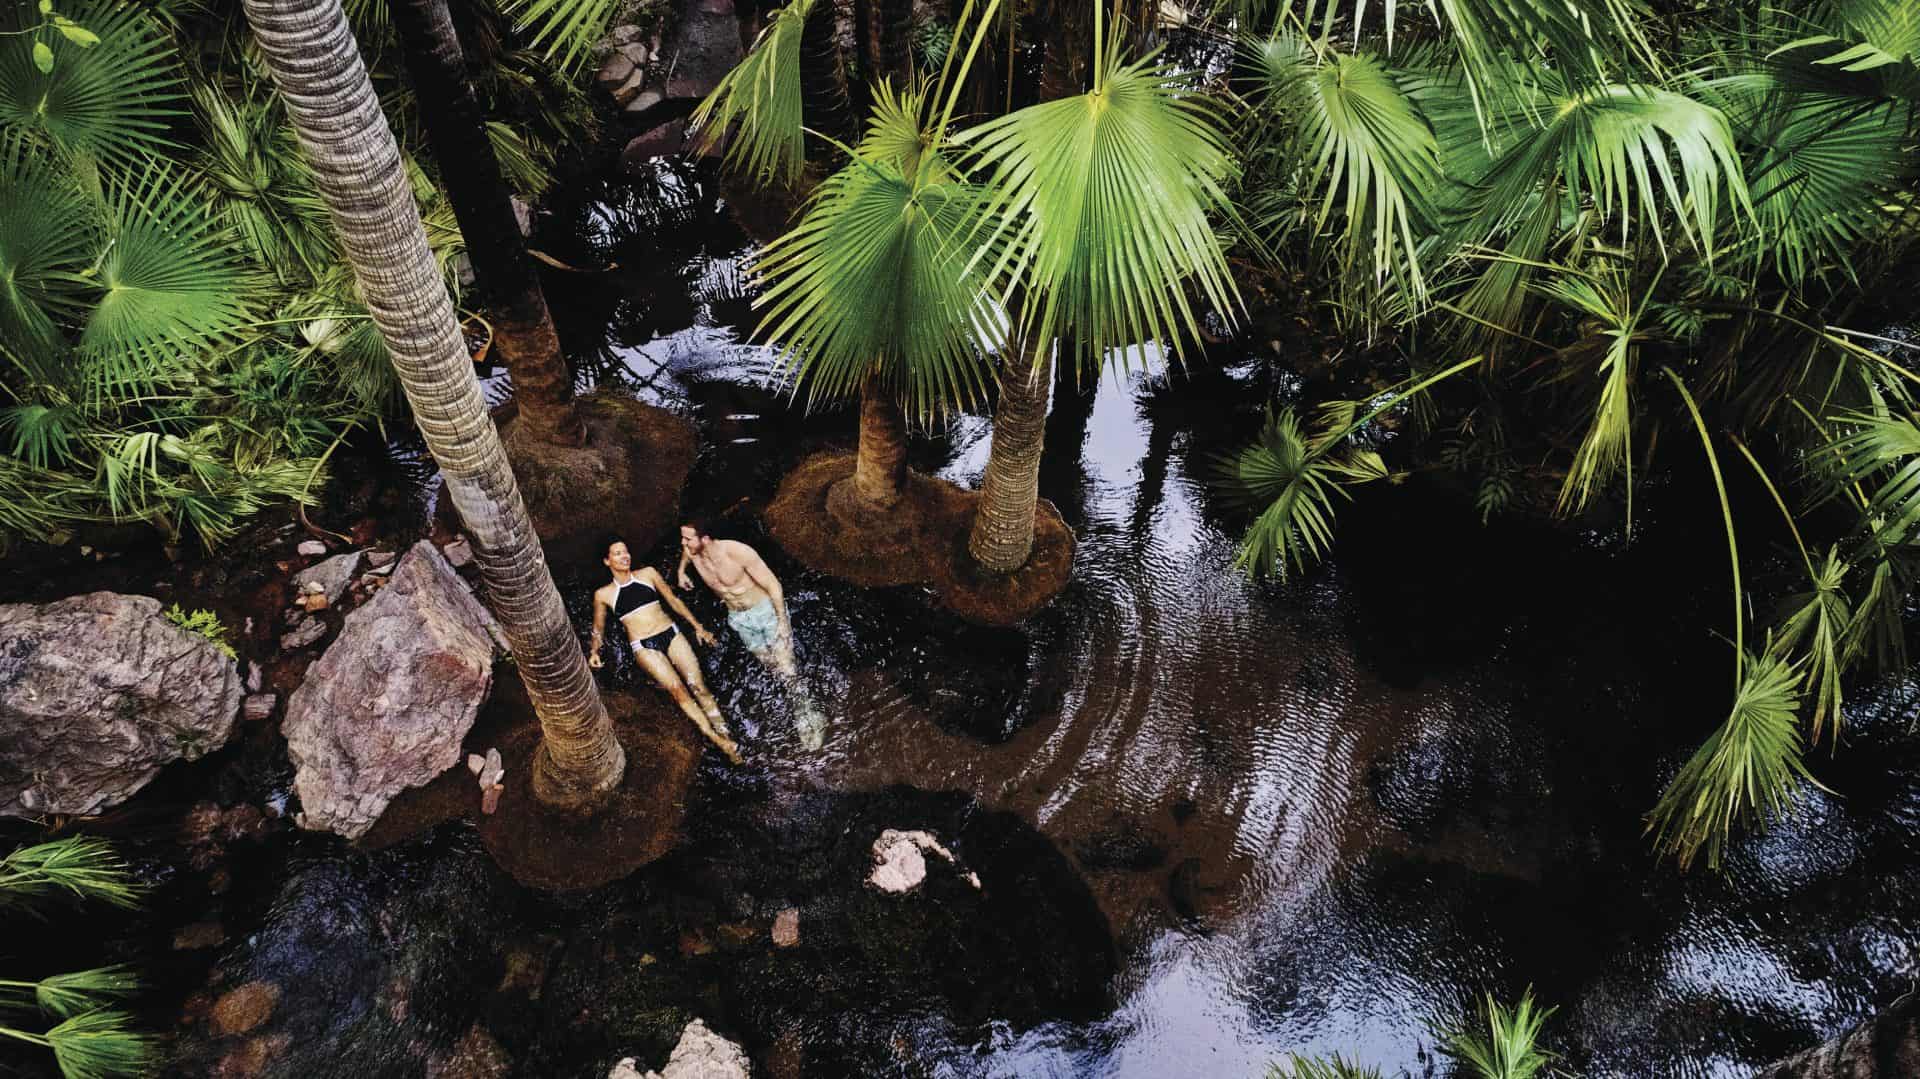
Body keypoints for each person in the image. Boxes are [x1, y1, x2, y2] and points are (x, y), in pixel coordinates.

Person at [589, 537, 743, 764]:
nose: (625, 556)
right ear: (607, 561)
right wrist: (594, 651)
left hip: (671, 634)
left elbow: (673, 600)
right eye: (618, 553)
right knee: (678, 690)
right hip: (644, 646)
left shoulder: (648, 574)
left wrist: (698, 627)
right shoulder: (603, 594)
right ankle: (718, 741)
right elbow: (598, 628)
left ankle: (726, 735)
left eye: (626, 551)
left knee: (698, 686)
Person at [676, 522, 795, 678]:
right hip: (739, 619)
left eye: (687, 539)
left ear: (704, 539)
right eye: (682, 538)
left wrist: (783, 622)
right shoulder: (692, 551)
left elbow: (773, 585)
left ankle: (804, 701)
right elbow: (686, 554)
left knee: (787, 668)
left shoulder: (738, 551)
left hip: (765, 611)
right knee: (770, 666)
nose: (682, 543)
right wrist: (681, 571)